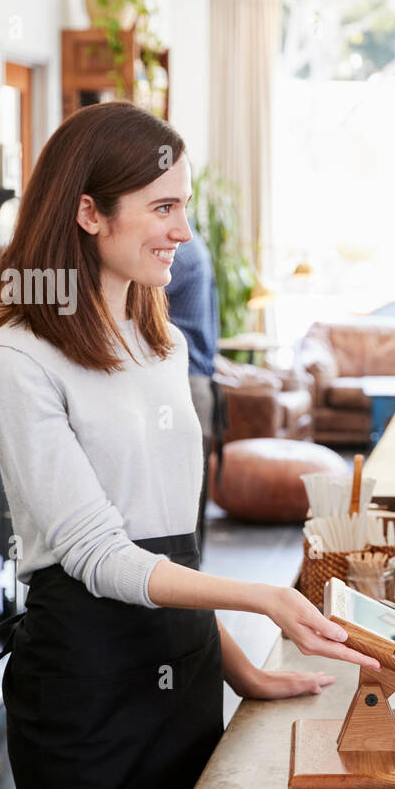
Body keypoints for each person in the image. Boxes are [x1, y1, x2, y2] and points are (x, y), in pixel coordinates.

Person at [0, 102, 377, 789]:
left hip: (182, 675)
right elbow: (102, 556)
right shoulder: (17, 359)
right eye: (163, 208)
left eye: (182, 206)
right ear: (88, 212)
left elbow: (173, 552)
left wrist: (236, 669)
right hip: (86, 686)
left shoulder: (158, 341)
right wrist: (264, 596)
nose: (183, 232)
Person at [164, 220, 221, 562]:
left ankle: (186, 591)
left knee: (179, 509)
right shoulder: (194, 245)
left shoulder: (179, 254)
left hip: (185, 385)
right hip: (194, 383)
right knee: (186, 506)